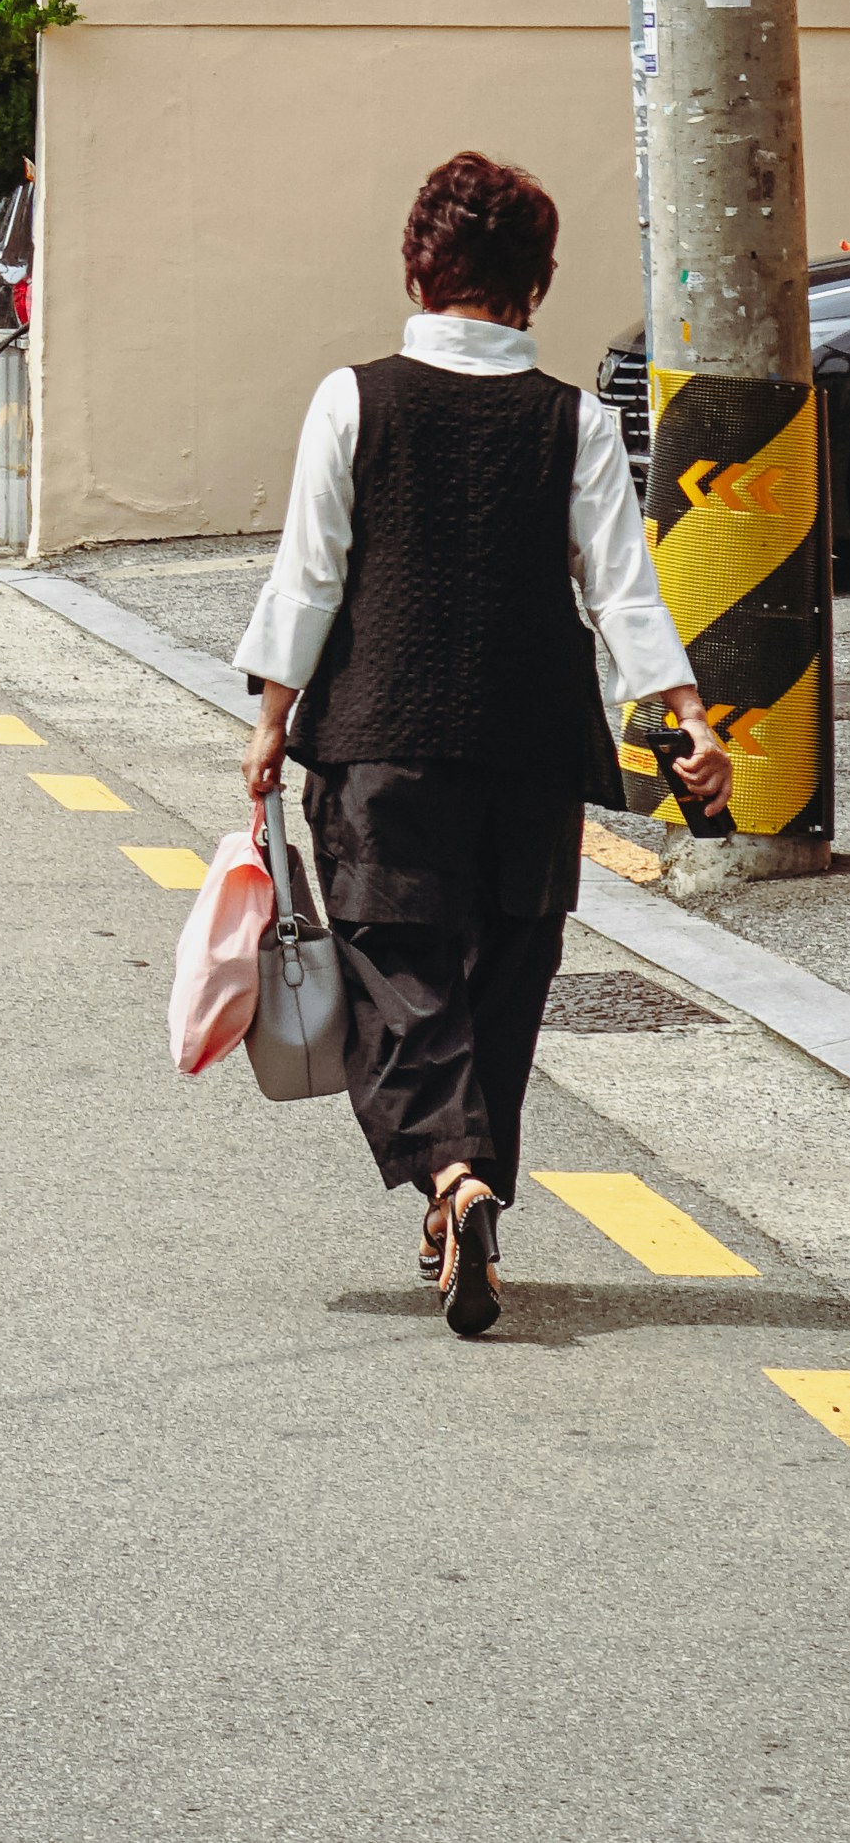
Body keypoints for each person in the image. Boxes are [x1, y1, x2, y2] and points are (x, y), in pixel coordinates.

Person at [238, 148, 732, 1338]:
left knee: (393, 967)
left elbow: (312, 573)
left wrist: (269, 718)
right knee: (504, 979)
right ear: (537, 282)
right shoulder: (569, 415)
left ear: (419, 265)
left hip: (380, 735)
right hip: (528, 741)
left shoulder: (356, 397)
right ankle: (475, 1191)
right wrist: (688, 715)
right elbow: (622, 584)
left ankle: (453, 1179)